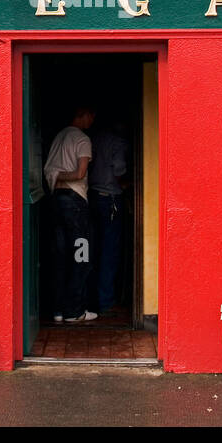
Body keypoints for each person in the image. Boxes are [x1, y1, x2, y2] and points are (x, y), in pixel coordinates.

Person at [43, 104, 96, 323]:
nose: (92, 121)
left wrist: (56, 177)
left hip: (56, 201)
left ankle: (57, 311)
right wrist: (63, 176)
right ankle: (75, 311)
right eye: (91, 116)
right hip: (75, 203)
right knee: (80, 256)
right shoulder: (82, 139)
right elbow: (80, 173)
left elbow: (48, 170)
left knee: (60, 256)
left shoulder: (59, 137)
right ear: (82, 114)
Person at [87, 118, 130, 315]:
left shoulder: (93, 138)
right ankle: (106, 301)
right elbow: (119, 168)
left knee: (92, 249)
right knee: (109, 251)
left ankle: (91, 298)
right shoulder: (118, 142)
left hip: (91, 196)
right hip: (110, 199)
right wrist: (126, 182)